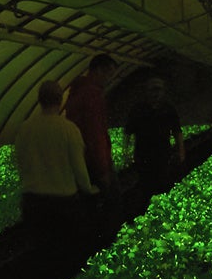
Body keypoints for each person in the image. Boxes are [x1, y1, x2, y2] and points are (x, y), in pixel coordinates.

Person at [14, 80, 98, 236]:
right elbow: (78, 166)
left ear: (40, 100)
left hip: (33, 202)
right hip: (63, 202)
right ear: (60, 101)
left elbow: (19, 160)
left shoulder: (25, 128)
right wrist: (88, 189)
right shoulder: (69, 129)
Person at [123, 76, 184, 205]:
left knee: (163, 183)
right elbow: (128, 132)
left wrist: (181, 151)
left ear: (163, 91)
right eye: (153, 89)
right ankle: (145, 208)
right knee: (145, 186)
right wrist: (126, 153)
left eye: (159, 89)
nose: (156, 93)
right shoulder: (138, 109)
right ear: (147, 91)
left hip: (163, 155)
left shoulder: (168, 109)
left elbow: (177, 132)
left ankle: (160, 208)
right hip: (143, 156)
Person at [64, 53, 119, 193]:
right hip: (92, 164)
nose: (110, 80)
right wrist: (103, 169)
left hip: (79, 161)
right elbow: (95, 134)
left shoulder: (76, 92)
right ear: (99, 70)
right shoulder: (92, 95)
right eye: (109, 74)